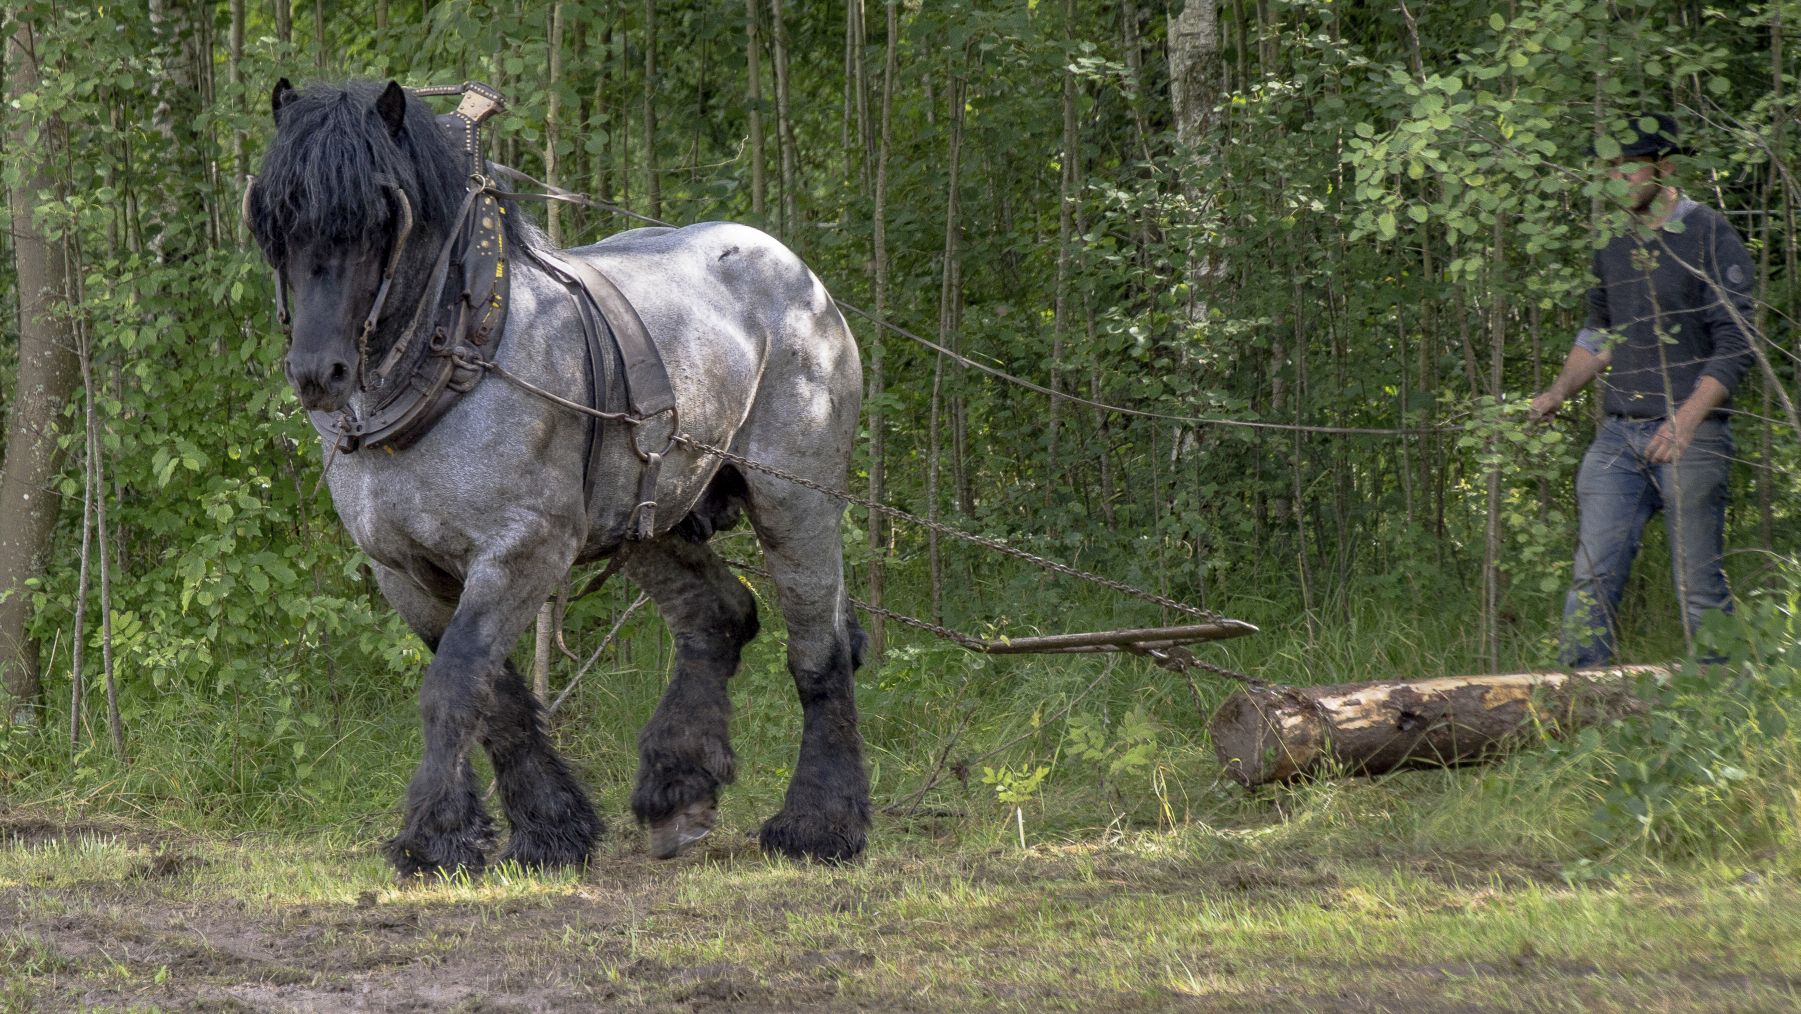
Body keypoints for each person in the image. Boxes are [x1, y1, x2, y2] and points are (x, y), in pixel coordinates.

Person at [1528, 112, 1756, 668]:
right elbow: (1601, 333)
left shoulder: (1706, 232)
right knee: (1590, 579)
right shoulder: (1611, 242)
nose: (1617, 181)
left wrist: (1687, 419)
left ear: (1664, 167)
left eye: (1628, 168)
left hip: (1692, 437)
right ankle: (1580, 704)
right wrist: (1558, 391)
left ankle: (1721, 707)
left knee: (1697, 587)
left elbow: (1737, 341)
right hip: (1617, 437)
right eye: (1609, 171)